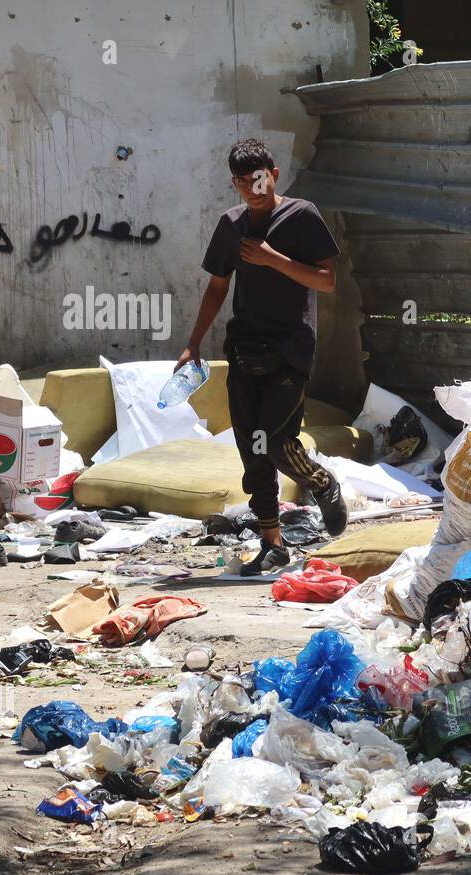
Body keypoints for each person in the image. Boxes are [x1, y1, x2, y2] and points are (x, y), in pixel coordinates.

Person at [176, 137, 348, 575]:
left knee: (275, 442)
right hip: (244, 352)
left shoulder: (302, 215)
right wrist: (193, 343)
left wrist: (273, 259)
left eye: (261, 178)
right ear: (236, 183)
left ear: (272, 173)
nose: (255, 188)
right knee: (252, 454)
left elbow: (327, 281)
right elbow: (217, 287)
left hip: (289, 351)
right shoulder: (231, 226)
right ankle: (273, 543)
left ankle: (322, 483)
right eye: (245, 182)